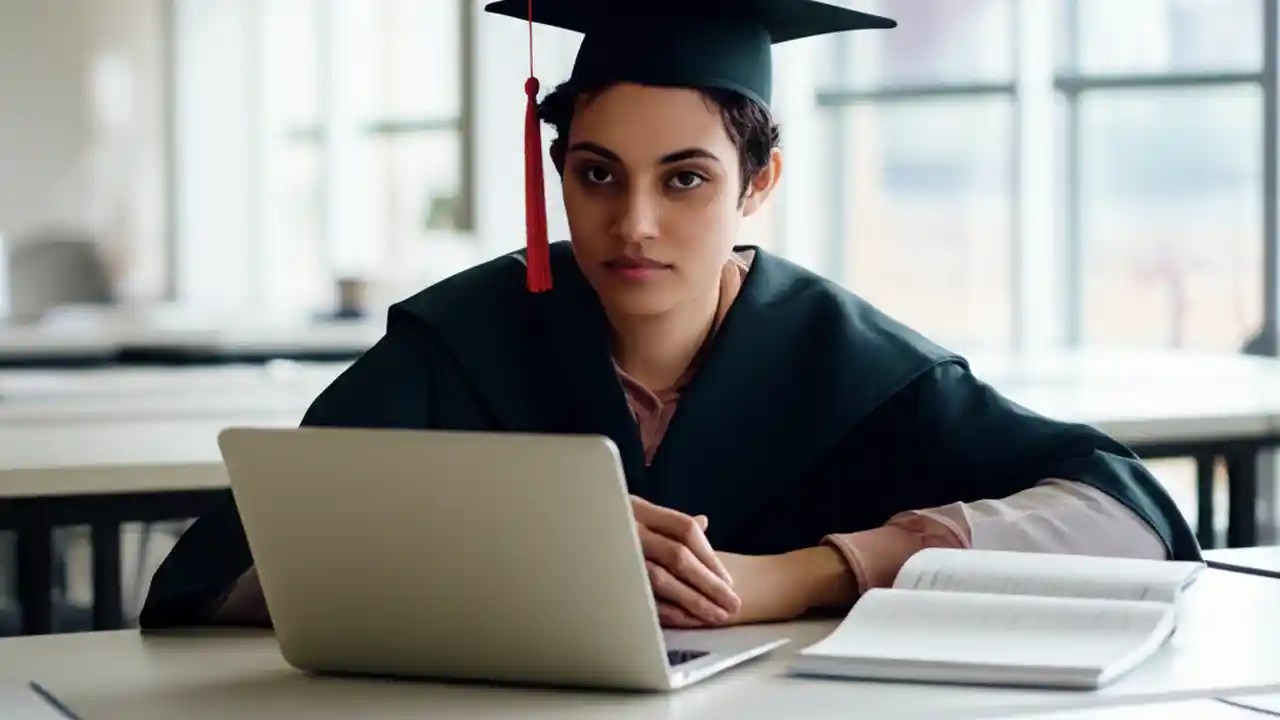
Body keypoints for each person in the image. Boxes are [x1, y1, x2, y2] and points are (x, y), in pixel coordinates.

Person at [142, 0, 1200, 631]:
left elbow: (1126, 520)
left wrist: (796, 577)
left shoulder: (852, 364)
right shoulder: (458, 343)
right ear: (555, 170)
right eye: (595, 173)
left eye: (684, 179)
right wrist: (512, 553)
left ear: (759, 182)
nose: (631, 223)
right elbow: (212, 578)